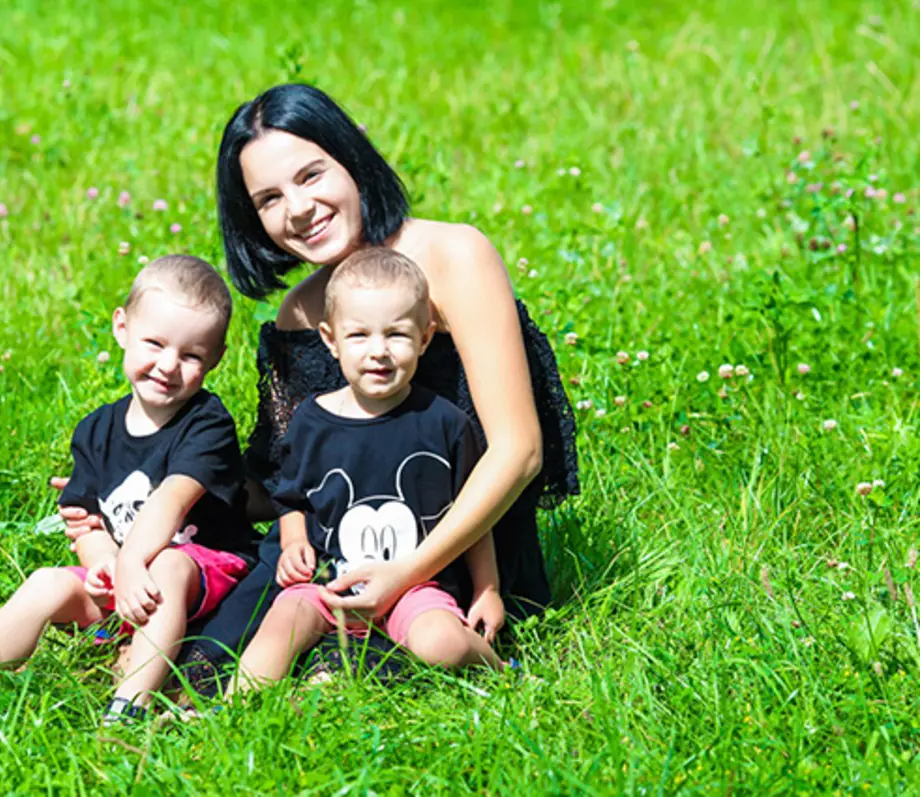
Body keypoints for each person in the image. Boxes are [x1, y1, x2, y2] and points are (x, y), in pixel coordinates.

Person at [61, 84, 578, 692]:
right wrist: (130, 472)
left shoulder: (454, 255)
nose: (298, 208)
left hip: (456, 545)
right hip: (333, 548)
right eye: (270, 199)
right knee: (213, 652)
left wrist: (408, 573)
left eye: (311, 175)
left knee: (365, 652)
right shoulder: (301, 315)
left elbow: (520, 452)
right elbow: (279, 483)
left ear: (351, 155)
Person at [0, 255, 255, 724]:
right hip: (127, 577)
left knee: (165, 564)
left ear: (216, 359)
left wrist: (130, 563)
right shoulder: (96, 429)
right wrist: (104, 563)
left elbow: (171, 500)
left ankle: (130, 707)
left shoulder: (207, 423)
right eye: (155, 343)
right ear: (122, 328)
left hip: (205, 569)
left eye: (191, 356)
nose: (168, 365)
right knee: (47, 581)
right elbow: (85, 518)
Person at [231, 248, 506, 693]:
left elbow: (474, 518)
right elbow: (290, 495)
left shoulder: (445, 423)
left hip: (416, 585)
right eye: (358, 335)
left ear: (424, 338)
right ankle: (234, 710)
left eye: (396, 334)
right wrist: (295, 543)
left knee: (442, 645)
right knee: (281, 622)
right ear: (330, 339)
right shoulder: (310, 421)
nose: (378, 352)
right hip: (329, 582)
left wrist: (487, 589)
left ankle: (504, 674)